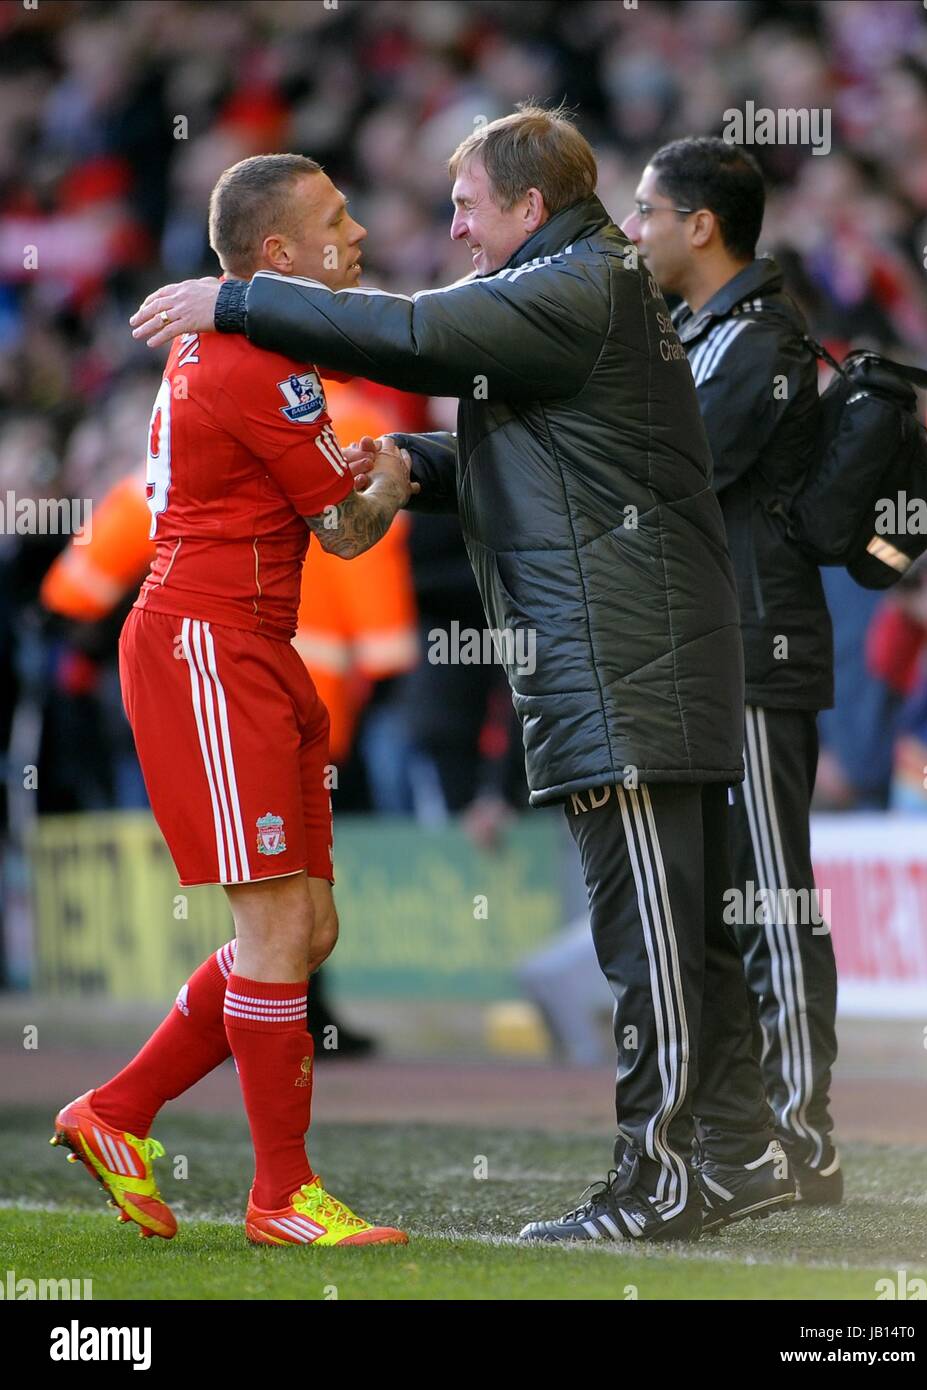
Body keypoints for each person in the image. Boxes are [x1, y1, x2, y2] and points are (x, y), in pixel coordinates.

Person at [131, 106, 793, 1243]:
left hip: (619, 659)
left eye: (468, 208)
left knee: (651, 940)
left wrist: (232, 299)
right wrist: (410, 462)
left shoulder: (573, 280)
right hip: (639, 650)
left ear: (528, 209)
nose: (449, 229)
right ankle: (731, 1153)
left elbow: (417, 335)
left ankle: (663, 1178)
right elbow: (541, 451)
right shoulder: (589, 286)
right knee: (679, 931)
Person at [51, 154, 417, 1248]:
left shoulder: (246, 344)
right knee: (272, 926)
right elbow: (344, 531)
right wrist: (396, 478)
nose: (355, 232)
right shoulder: (265, 363)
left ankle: (113, 1112)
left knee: (304, 927)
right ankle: (280, 1196)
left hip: (244, 642)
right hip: (208, 646)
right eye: (336, 219)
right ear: (277, 255)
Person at [621, 137, 842, 1203]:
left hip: (758, 651)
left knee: (767, 902)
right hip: (719, 654)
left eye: (644, 210)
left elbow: (676, 473)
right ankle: (755, 1134)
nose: (633, 229)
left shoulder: (756, 339)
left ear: (697, 225)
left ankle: (802, 1139)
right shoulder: (704, 332)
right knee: (726, 906)